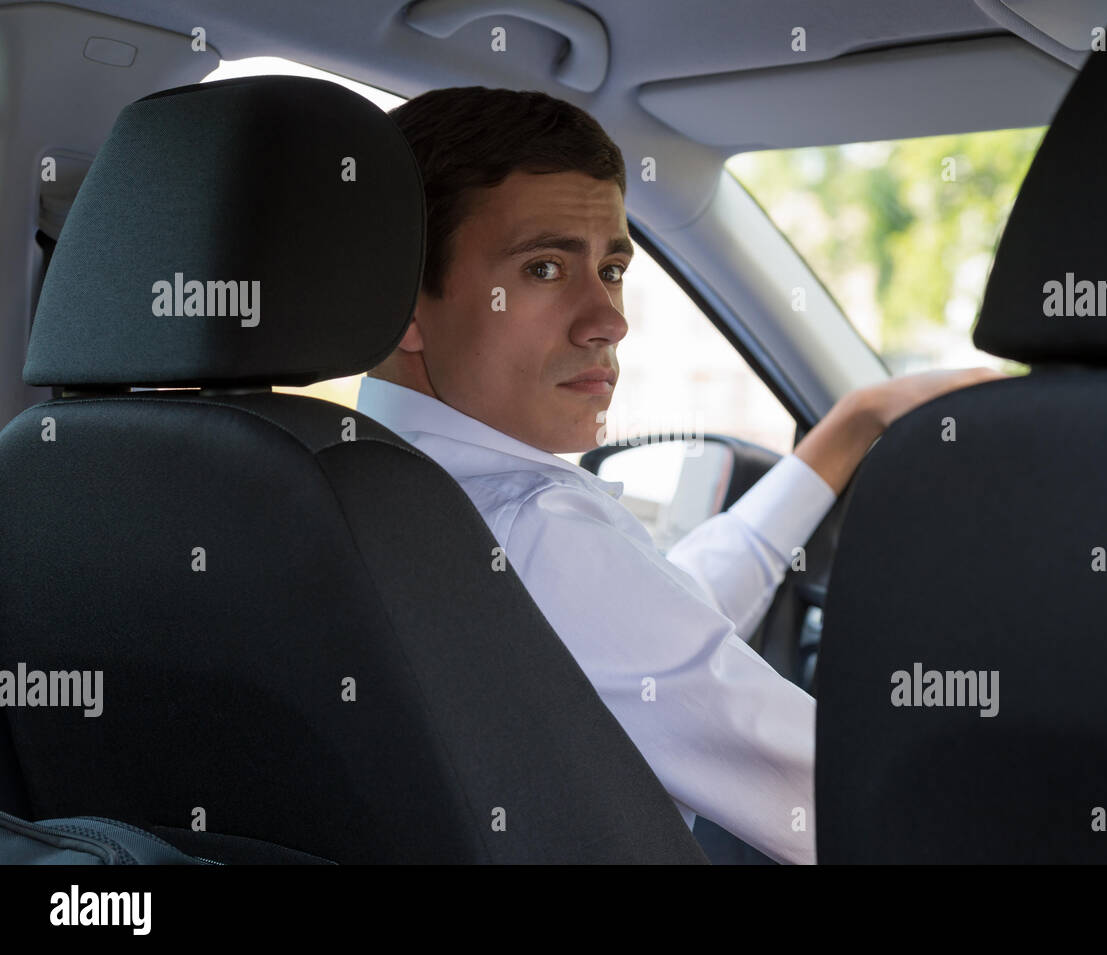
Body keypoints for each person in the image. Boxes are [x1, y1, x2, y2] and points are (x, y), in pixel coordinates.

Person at [357, 86, 1002, 864]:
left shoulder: (326, 482)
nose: (609, 318)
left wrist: (850, 428)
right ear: (400, 303)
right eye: (543, 267)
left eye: (614, 267)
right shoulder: (535, 527)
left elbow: (655, 635)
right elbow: (859, 804)